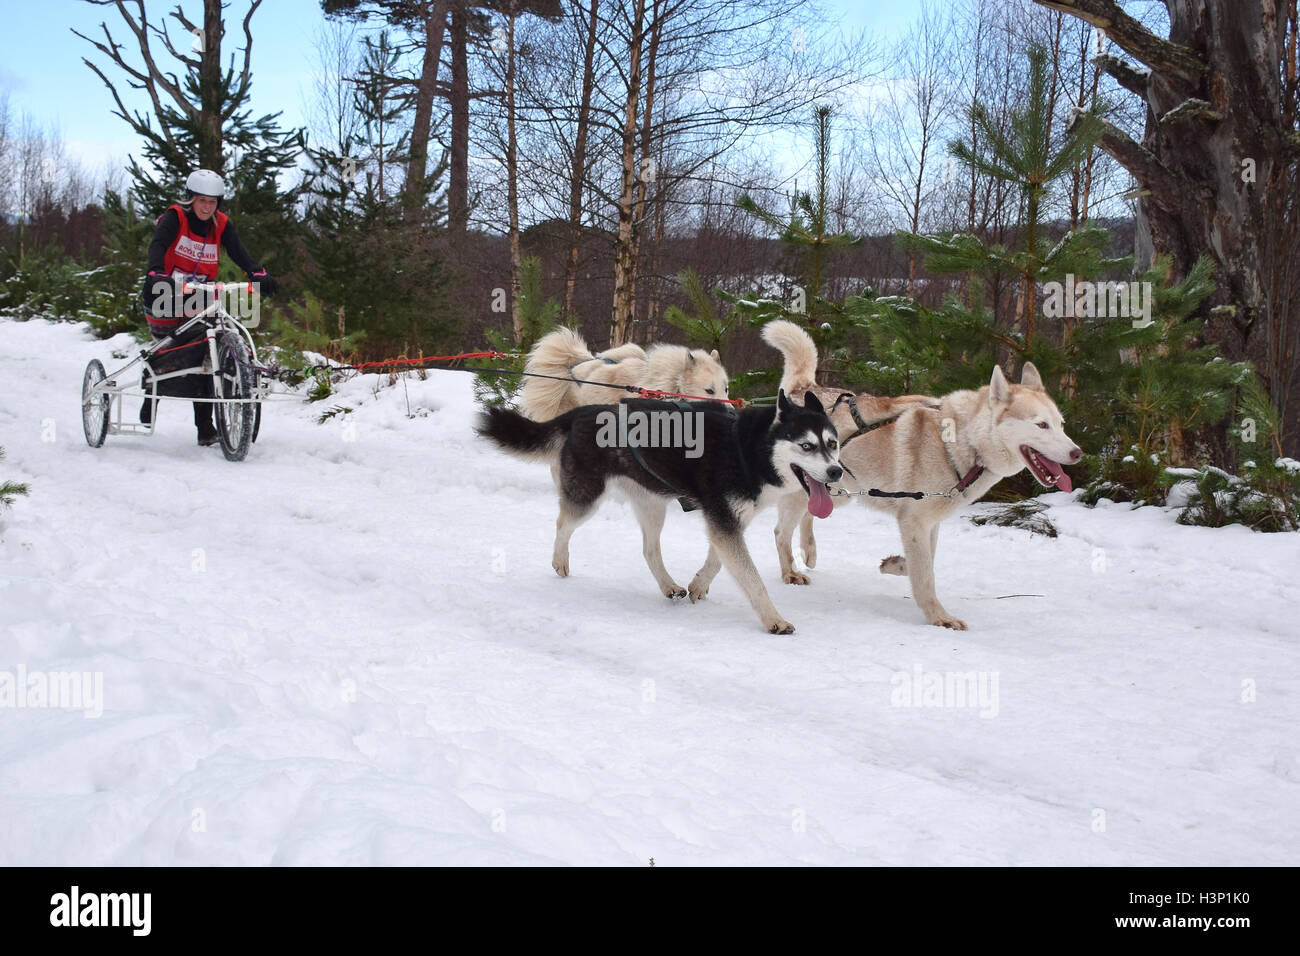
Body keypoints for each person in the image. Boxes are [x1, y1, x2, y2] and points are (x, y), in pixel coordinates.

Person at [140, 169, 279, 445]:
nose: (206, 207)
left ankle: (205, 429)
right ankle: (151, 386)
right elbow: (158, 244)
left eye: (212, 202)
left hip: (200, 296)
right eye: (202, 200)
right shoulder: (175, 217)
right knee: (174, 348)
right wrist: (156, 272)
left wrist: (257, 272)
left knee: (209, 350)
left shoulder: (222, 224)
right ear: (191, 199)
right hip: (164, 293)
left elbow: (238, 251)